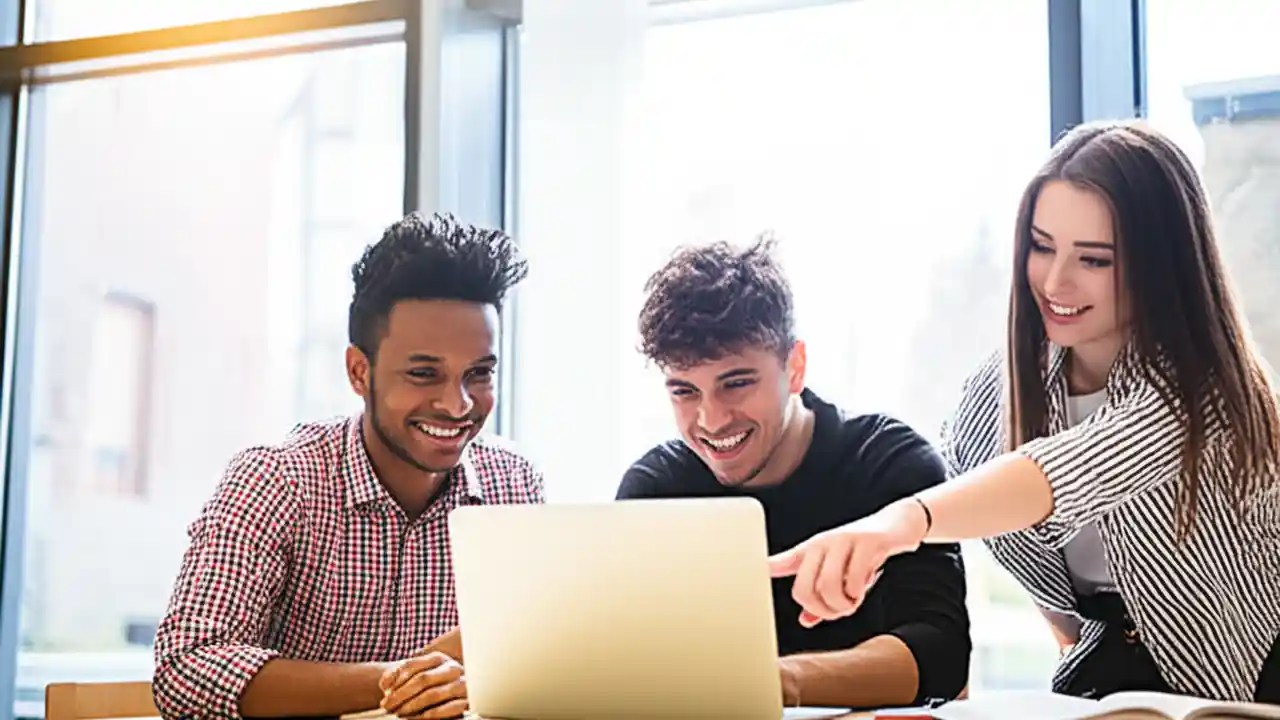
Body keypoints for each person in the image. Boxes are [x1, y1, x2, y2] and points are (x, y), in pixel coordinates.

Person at [769, 120, 1280, 703]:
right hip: (1110, 690)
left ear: (1162, 265)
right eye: (1041, 247)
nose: (1055, 281)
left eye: (1094, 260)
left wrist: (898, 524)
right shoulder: (991, 398)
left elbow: (1062, 474)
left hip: (1249, 686)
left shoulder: (1201, 391)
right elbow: (1048, 589)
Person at [152, 212, 544, 720]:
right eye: (424, 374)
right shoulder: (276, 481)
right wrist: (398, 679)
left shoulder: (513, 484)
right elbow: (187, 669)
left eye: (479, 374)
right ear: (360, 372)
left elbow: (525, 657)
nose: (457, 404)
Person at [616, 237, 971, 709]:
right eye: (684, 392)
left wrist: (777, 683)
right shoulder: (656, 490)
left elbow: (941, 655)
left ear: (795, 367)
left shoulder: (888, 463)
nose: (711, 420)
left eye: (737, 383)